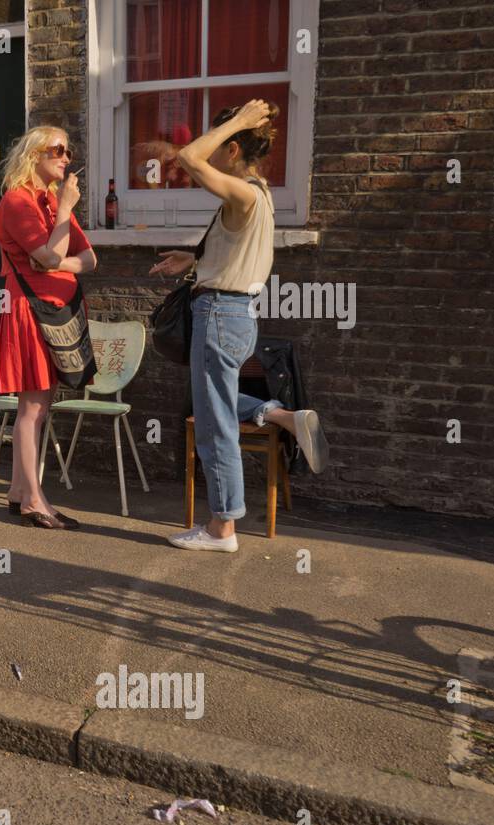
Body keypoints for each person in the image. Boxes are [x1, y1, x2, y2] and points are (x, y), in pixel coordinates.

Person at [152, 100, 329, 552]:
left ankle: (222, 528)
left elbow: (188, 158)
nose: (209, 157)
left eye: (219, 147)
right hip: (239, 313)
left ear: (231, 150)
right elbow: (240, 251)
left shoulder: (243, 192)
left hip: (219, 313)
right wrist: (194, 258)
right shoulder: (260, 194)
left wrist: (237, 121)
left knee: (214, 424)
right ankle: (282, 415)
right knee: (216, 400)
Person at [0, 126, 97, 530]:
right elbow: (45, 255)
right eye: (57, 150)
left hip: (58, 311)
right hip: (31, 311)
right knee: (32, 406)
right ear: (33, 154)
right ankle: (34, 499)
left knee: (41, 405)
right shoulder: (19, 202)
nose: (66, 157)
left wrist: (57, 261)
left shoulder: (49, 202)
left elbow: (88, 259)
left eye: (68, 151)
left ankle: (19, 492)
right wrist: (66, 214)